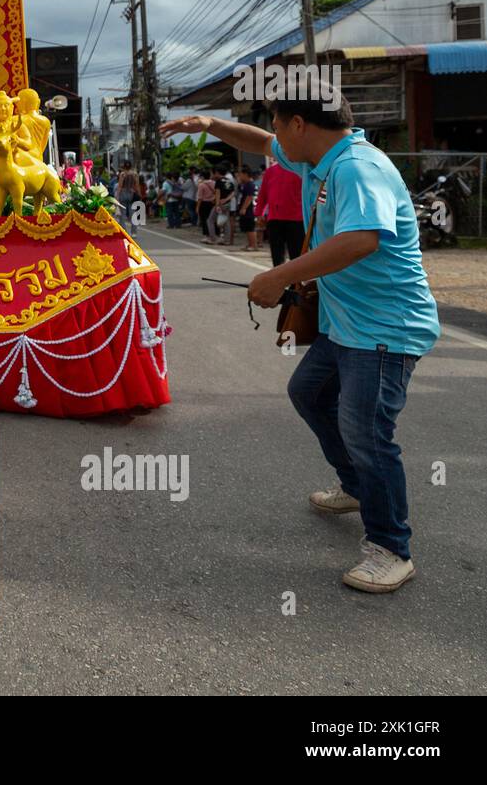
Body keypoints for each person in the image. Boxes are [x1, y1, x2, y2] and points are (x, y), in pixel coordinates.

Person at [160, 99, 440, 594]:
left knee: (369, 435)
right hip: (345, 325)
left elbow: (362, 240)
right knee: (307, 392)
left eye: (278, 125)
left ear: (300, 123)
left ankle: (391, 548)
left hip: (382, 329)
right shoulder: (320, 157)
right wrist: (207, 125)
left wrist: (279, 276)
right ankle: (355, 487)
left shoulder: (356, 168)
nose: (274, 137)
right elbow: (257, 141)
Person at [257, 159, 306, 266]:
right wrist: (259, 213)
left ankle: (296, 282)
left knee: (297, 254)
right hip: (275, 218)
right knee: (277, 254)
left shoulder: (302, 169)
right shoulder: (270, 171)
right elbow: (263, 193)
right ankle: (279, 280)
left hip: (297, 219)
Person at [235, 166, 259, 252]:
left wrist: (244, 208)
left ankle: (253, 245)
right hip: (247, 208)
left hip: (249, 209)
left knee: (250, 228)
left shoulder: (250, 185)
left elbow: (249, 197)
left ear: (245, 174)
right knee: (247, 227)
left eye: (240, 174)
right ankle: (250, 244)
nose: (239, 176)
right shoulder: (246, 184)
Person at [214, 167, 236, 246]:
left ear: (218, 172)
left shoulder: (219, 181)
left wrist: (217, 204)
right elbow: (233, 193)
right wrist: (226, 199)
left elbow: (217, 193)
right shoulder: (229, 181)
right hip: (228, 203)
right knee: (225, 221)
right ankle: (226, 239)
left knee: (222, 221)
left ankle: (224, 239)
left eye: (215, 173)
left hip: (221, 204)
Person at [196, 169, 217, 243]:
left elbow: (200, 198)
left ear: (202, 176)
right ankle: (214, 234)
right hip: (212, 203)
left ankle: (207, 236)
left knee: (204, 220)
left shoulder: (201, 185)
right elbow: (217, 193)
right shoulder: (214, 183)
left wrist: (197, 207)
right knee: (212, 220)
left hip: (204, 204)